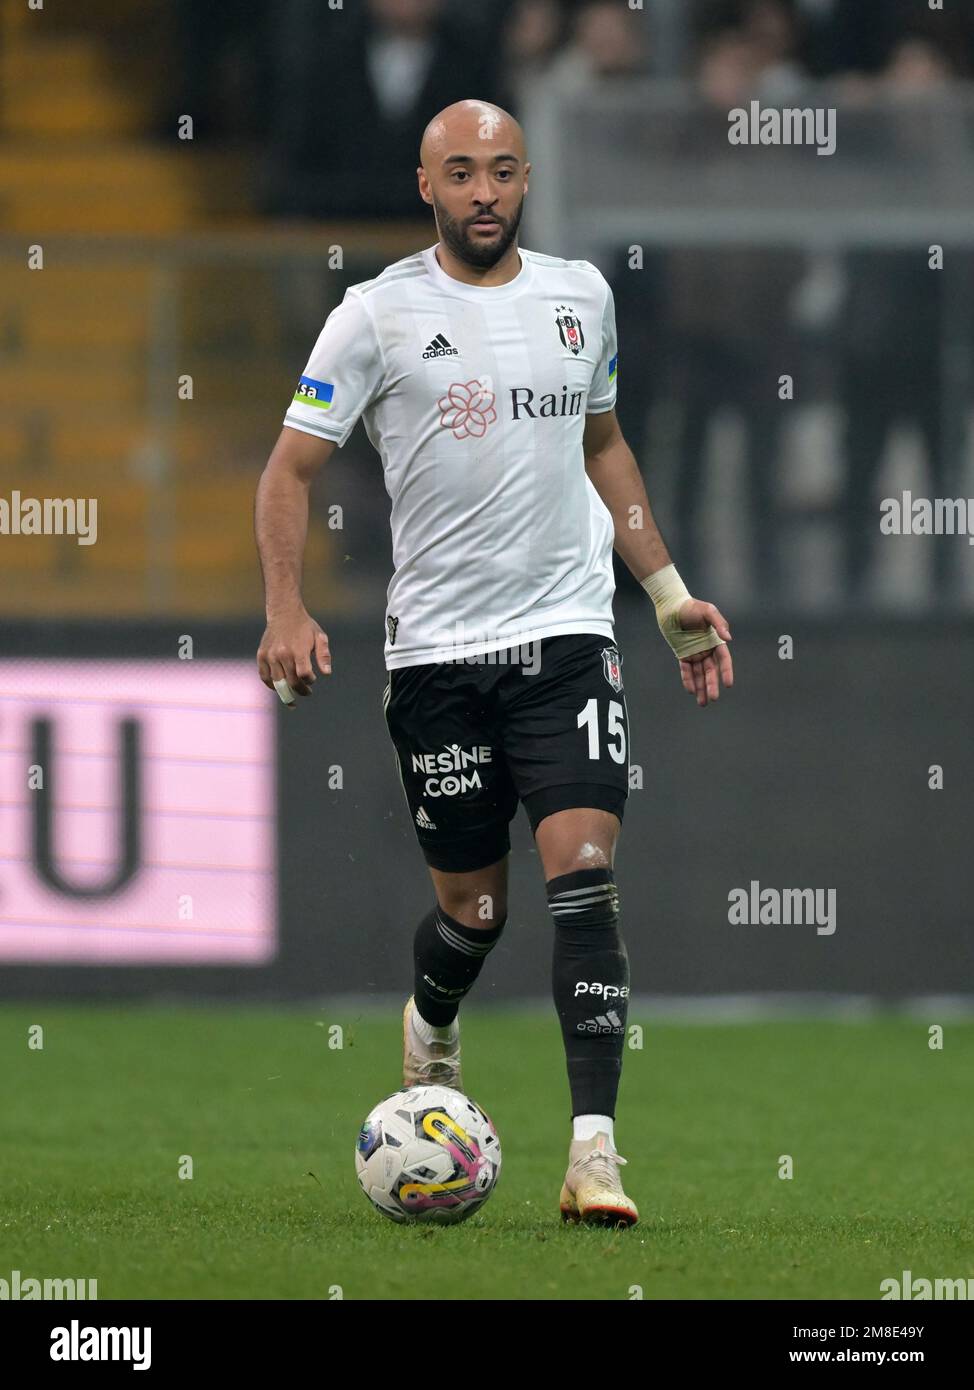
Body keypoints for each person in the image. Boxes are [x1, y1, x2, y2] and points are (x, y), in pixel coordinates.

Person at [254, 99, 733, 1228]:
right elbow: (286, 470)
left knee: (583, 875)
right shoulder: (371, 317)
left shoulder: (580, 297)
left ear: (526, 183)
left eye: (502, 172)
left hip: (568, 640)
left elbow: (601, 443)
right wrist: (284, 604)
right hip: (436, 658)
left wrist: (662, 593)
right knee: (473, 912)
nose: (483, 192)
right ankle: (431, 1026)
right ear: (425, 185)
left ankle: (594, 1155)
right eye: (460, 172)